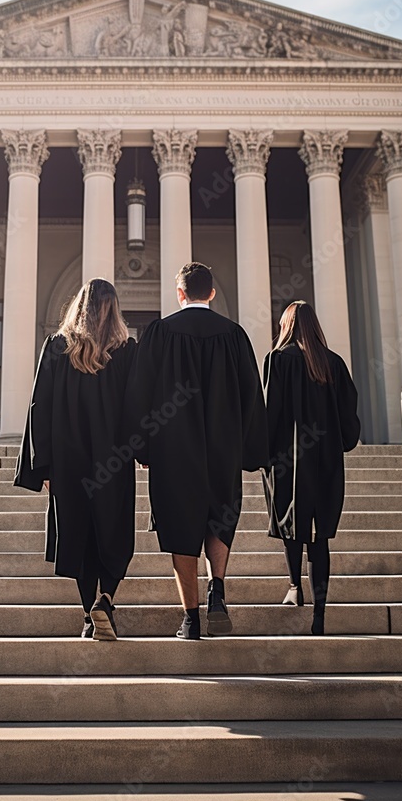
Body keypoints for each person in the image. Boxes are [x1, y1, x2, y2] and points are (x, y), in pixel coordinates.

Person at [129, 262, 268, 640]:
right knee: (219, 516)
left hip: (174, 452)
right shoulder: (234, 335)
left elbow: (140, 390)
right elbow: (251, 396)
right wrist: (252, 449)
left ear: (180, 293)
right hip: (222, 448)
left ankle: (190, 618)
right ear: (211, 293)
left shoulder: (159, 333)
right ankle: (217, 591)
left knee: (180, 525)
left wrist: (140, 444)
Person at [14, 279, 136, 641]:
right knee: (114, 534)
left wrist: (43, 465)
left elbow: (40, 406)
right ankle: (106, 601)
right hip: (113, 461)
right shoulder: (127, 350)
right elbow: (138, 405)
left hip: (69, 463)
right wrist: (142, 449)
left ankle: (88, 614)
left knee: (80, 536)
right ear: (113, 309)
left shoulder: (56, 347)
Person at [263, 301, 360, 635]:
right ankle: (319, 612)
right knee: (320, 540)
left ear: (286, 326)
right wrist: (342, 442)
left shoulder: (277, 361)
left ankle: (294, 587)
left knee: (293, 527)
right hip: (327, 462)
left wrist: (263, 455)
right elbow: (349, 419)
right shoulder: (334, 364)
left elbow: (270, 414)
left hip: (289, 463)